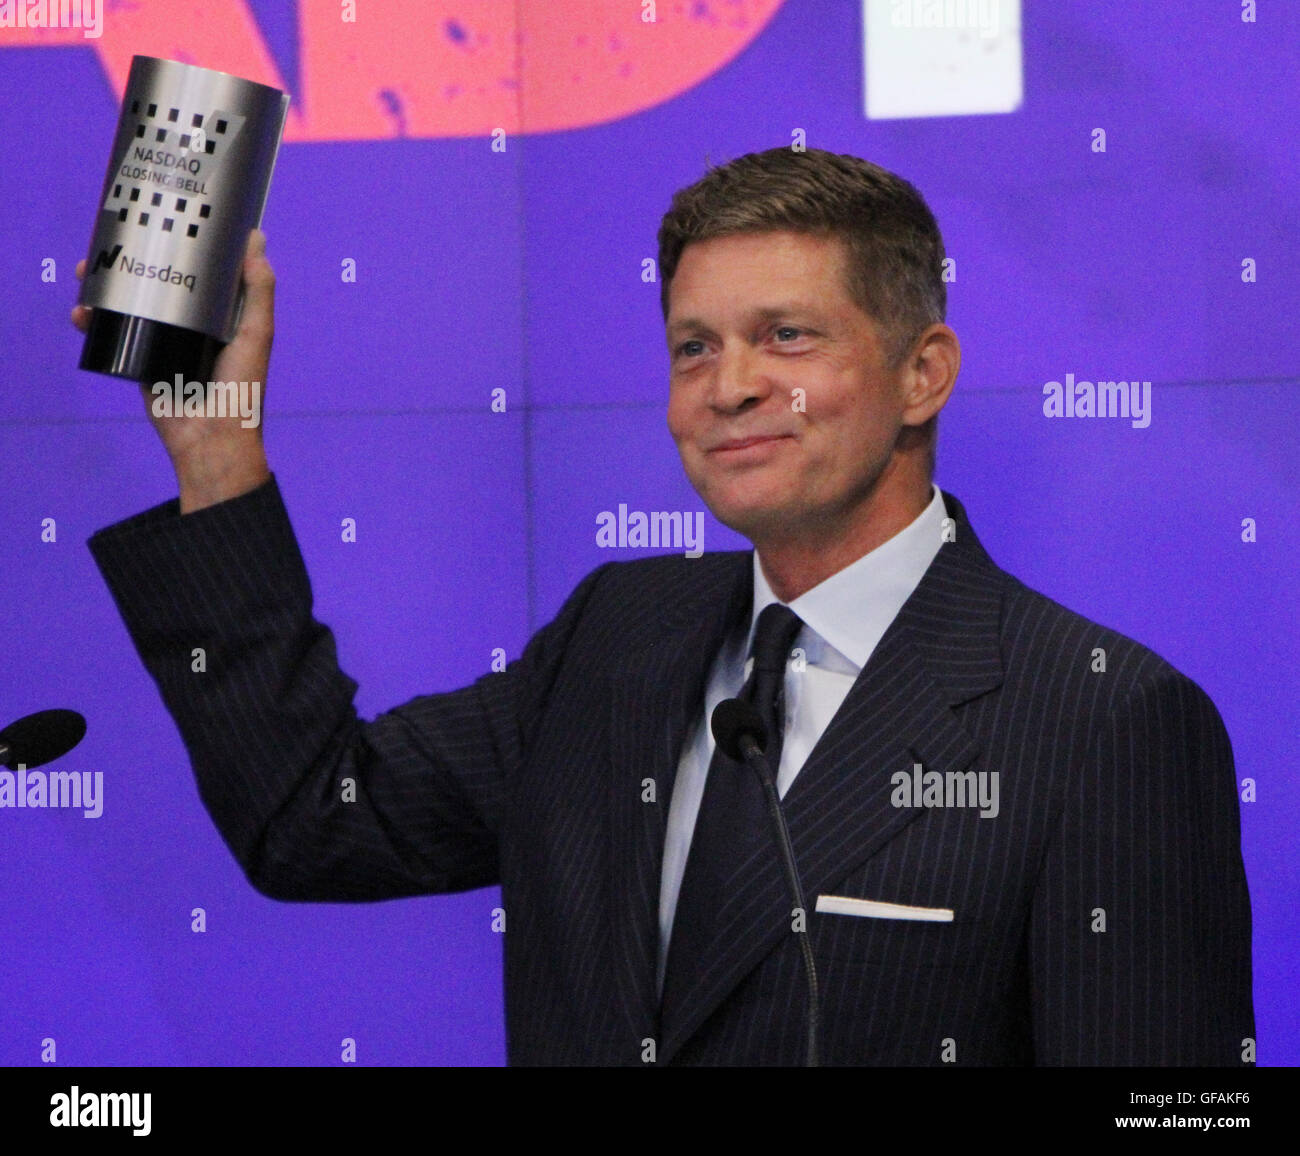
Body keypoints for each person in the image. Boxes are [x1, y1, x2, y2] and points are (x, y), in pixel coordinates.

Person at [78, 147, 1254, 1066]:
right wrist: (216, 452)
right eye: (694, 346)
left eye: (785, 336)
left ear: (922, 372)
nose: (730, 385)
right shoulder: (617, 637)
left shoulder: (1105, 721)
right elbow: (313, 819)